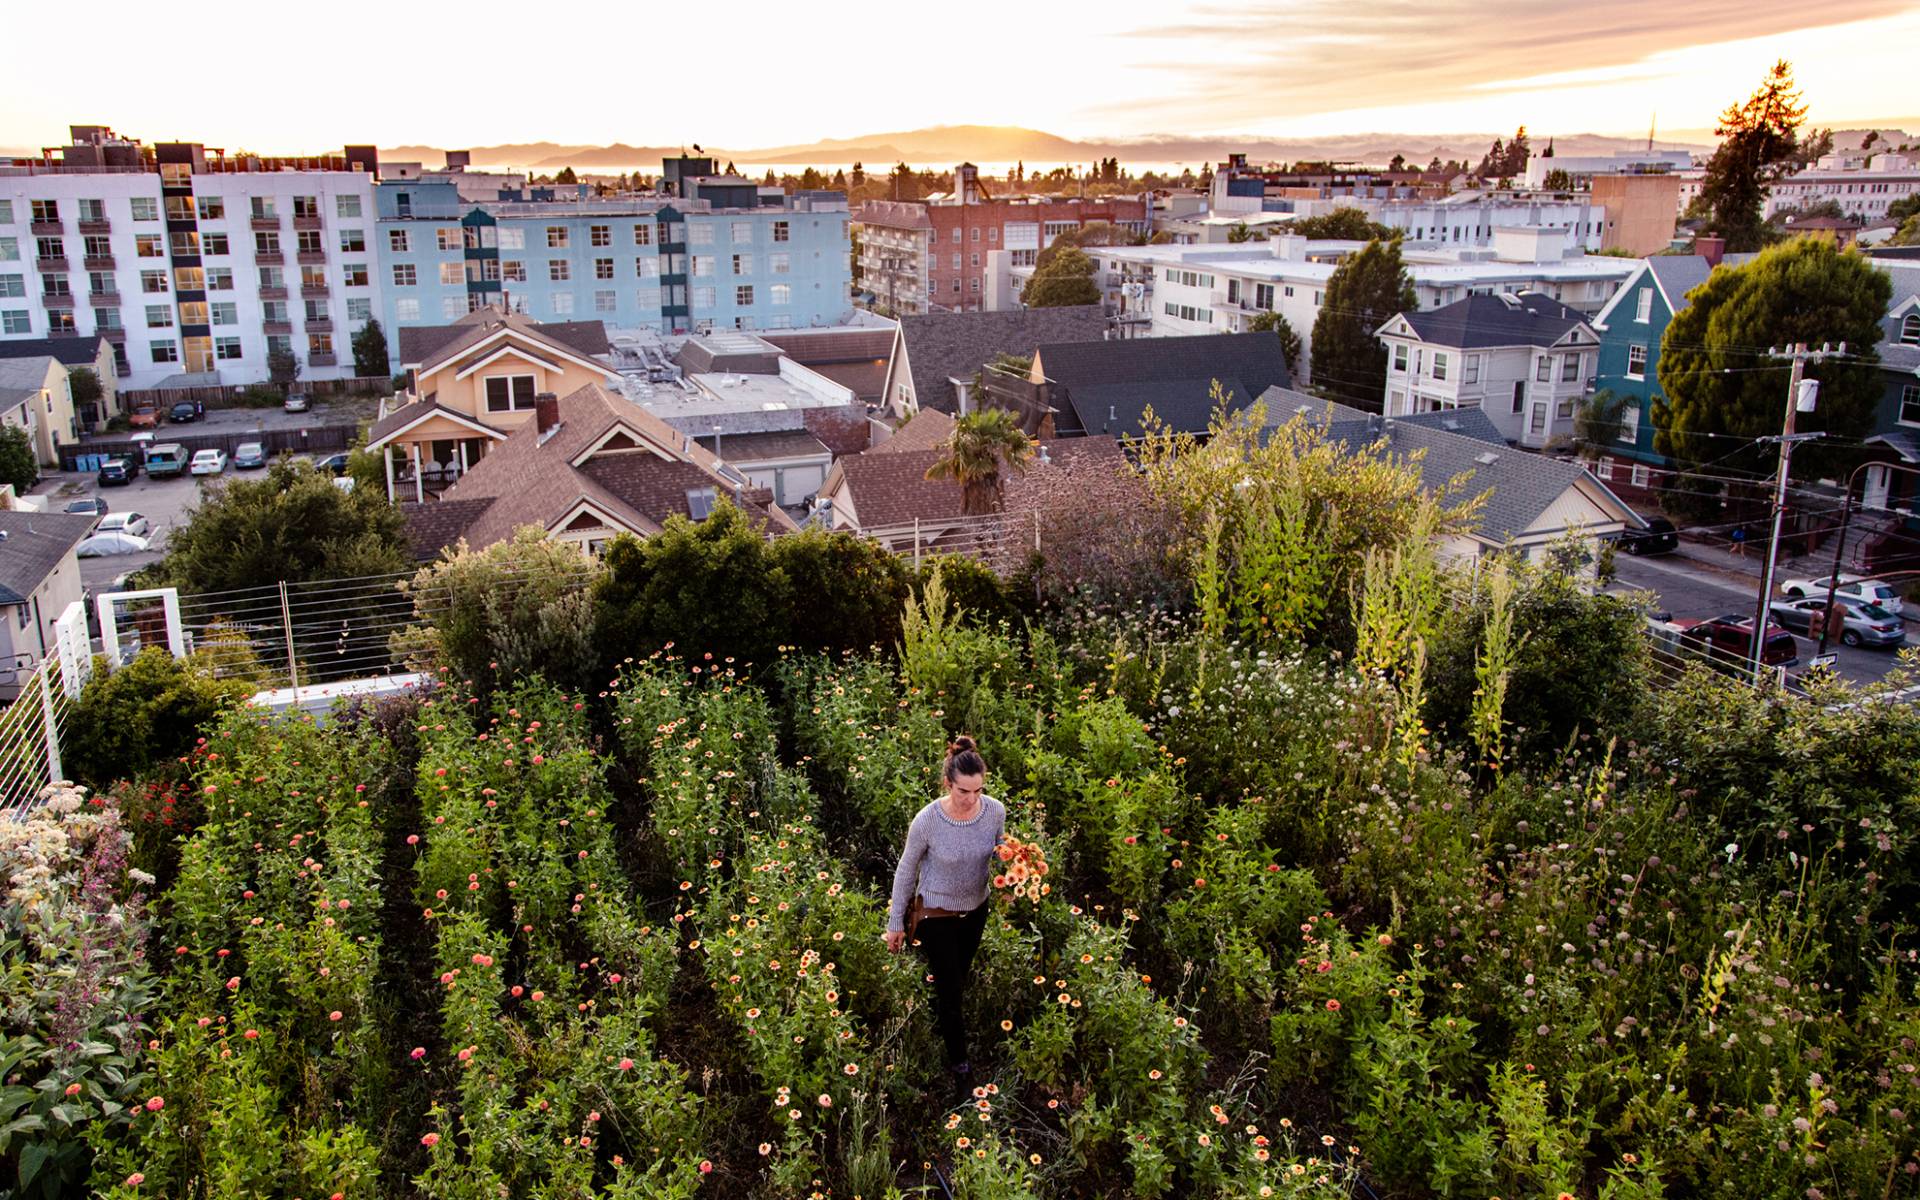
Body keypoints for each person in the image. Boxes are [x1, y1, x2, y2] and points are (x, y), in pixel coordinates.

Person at [885, 736, 1005, 1084]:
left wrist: (1013, 868)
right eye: (963, 791)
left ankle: (937, 1006)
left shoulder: (995, 811)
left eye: (978, 791)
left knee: (956, 980)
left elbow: (998, 851)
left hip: (975, 911)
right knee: (952, 991)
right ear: (948, 784)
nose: (971, 799)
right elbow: (906, 871)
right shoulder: (928, 821)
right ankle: (961, 1069)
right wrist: (895, 924)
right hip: (936, 915)